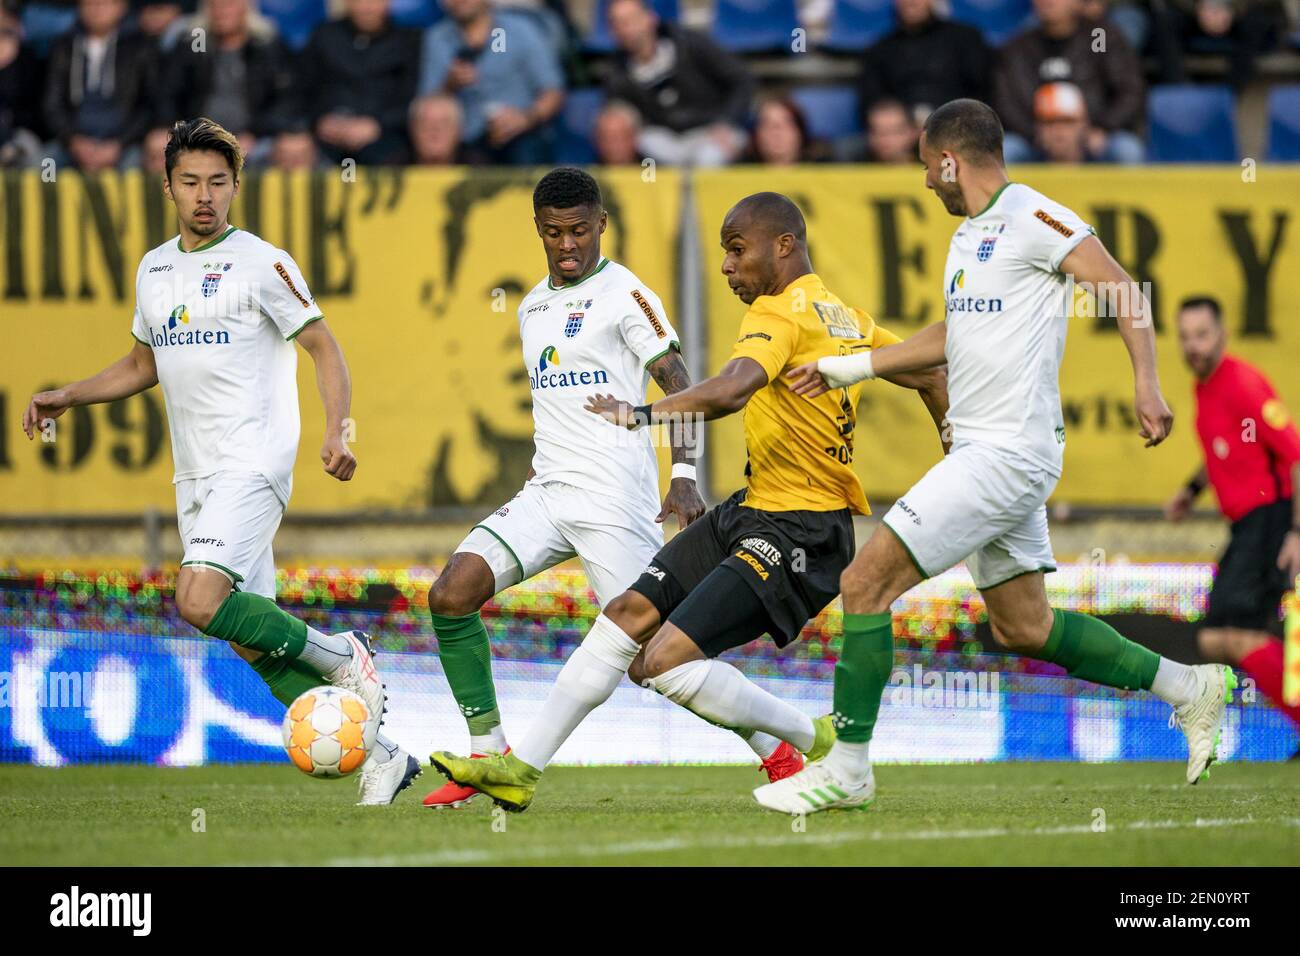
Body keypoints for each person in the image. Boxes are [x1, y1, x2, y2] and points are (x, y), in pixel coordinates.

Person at [765, 98, 1233, 814]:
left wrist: (1147, 384)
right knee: (1024, 626)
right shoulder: (969, 238)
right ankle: (1190, 687)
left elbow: (1121, 289)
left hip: (1007, 456)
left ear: (950, 161)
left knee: (863, 583)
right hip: (989, 451)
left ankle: (849, 767)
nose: (926, 183)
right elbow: (952, 335)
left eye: (927, 168)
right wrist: (849, 367)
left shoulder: (1033, 217)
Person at [427, 191, 950, 813]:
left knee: (659, 663)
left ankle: (818, 742)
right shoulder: (844, 316)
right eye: (725, 252)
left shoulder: (774, 315)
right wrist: (956, 447)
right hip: (748, 508)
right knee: (625, 616)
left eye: (736, 250)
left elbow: (729, 390)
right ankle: (516, 769)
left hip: (800, 530)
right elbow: (931, 367)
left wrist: (644, 418)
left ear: (783, 246)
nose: (726, 267)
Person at [20, 117, 420, 807]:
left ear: (236, 186)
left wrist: (337, 431)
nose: (204, 196)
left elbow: (323, 346)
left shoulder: (262, 261)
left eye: (217, 182)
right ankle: (381, 757)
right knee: (249, 637)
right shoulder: (153, 267)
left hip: (254, 457)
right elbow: (144, 363)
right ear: (168, 186)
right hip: (196, 473)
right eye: (189, 182)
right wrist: (68, 396)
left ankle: (344, 654)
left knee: (197, 598)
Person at [419, 167, 708, 809]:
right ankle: (487, 755)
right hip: (547, 496)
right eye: (554, 233)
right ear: (539, 232)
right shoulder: (531, 307)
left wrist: (684, 476)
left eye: (579, 230)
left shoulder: (626, 295)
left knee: (654, 662)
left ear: (601, 223)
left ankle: (777, 746)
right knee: (451, 592)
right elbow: (558, 406)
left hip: (613, 505)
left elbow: (682, 388)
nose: (568, 244)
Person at [1165, 296, 1300, 735]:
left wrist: (1295, 531)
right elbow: (1225, 450)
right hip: (1249, 526)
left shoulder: (1242, 382)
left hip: (1272, 520)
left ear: (1221, 334)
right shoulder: (1204, 388)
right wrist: (1191, 489)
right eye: (1185, 337)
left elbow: (1295, 456)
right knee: (1227, 636)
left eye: (1201, 335)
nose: (1193, 346)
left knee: (1227, 635)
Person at [993, 0, 1146, 165]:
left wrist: (1102, 127)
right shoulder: (1019, 46)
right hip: (1035, 140)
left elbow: (1129, 90)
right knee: (1009, 150)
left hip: (1093, 137)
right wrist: (1034, 134)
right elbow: (1006, 102)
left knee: (1126, 150)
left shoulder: (1098, 38)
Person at [603, 0, 752, 167]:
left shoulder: (690, 44)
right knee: (645, 145)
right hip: (664, 138)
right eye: (616, 23)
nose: (624, 29)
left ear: (651, 18)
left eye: (629, 20)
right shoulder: (616, 73)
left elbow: (741, 80)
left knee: (709, 158)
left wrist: (727, 121)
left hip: (712, 128)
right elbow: (620, 113)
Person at [418, 0, 564, 165]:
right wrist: (449, 85)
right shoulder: (437, 38)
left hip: (521, 134)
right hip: (465, 141)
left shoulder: (520, 31)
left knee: (527, 153)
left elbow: (553, 91)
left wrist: (525, 118)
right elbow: (426, 105)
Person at [159, 0, 298, 167]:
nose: (220, 12)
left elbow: (286, 100)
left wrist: (254, 133)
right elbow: (168, 95)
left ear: (246, 9)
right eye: (214, 6)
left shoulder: (266, 45)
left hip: (256, 137)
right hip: (195, 135)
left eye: (228, 5)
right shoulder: (194, 45)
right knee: (159, 145)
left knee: (292, 148)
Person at [42, 0, 161, 171]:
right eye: (89, 3)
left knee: (133, 172)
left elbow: (150, 105)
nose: (97, 8)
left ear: (122, 7)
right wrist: (73, 140)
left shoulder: (141, 47)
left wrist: (120, 143)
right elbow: (52, 104)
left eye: (105, 3)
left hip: (124, 142)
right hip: (72, 142)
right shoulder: (64, 47)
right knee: (39, 165)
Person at [302, 0, 420, 167]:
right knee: (296, 150)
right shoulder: (324, 36)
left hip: (388, 136)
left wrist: (378, 125)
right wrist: (320, 120)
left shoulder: (408, 41)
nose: (367, 7)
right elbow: (302, 90)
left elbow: (414, 98)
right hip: (328, 137)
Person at [856, 0, 990, 123]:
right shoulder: (879, 50)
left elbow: (983, 93)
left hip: (959, 129)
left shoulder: (966, 38)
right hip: (899, 137)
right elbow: (872, 103)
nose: (910, 2)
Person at [747, 95, 828, 166]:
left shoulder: (824, 169)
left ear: (800, 132)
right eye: (767, 124)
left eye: (785, 124)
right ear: (756, 133)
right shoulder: (739, 169)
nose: (776, 133)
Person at [1033, 81, 1099, 164]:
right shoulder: (1021, 170)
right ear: (1038, 127)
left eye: (1067, 121)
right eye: (1050, 122)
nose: (1058, 129)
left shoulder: (1107, 168)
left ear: (1084, 124)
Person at [407, 92, 464, 165]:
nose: (435, 129)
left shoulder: (478, 166)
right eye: (427, 123)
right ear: (413, 128)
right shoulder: (391, 166)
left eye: (444, 123)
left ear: (459, 130)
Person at [592, 101, 644, 166]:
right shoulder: (587, 170)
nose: (612, 145)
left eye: (617, 138)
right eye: (605, 138)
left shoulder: (654, 171)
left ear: (633, 137)